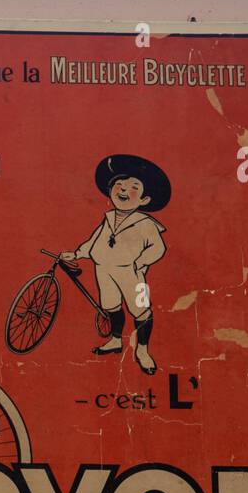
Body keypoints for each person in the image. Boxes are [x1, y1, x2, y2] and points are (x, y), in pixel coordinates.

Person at [60, 154, 171, 375]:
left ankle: (142, 350)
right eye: (118, 184)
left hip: (131, 274)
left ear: (144, 199)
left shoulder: (146, 224)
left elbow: (158, 249)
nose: (122, 190)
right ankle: (115, 339)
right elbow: (95, 240)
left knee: (140, 311)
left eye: (132, 187)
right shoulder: (109, 218)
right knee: (110, 305)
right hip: (103, 268)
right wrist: (78, 253)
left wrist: (140, 262)